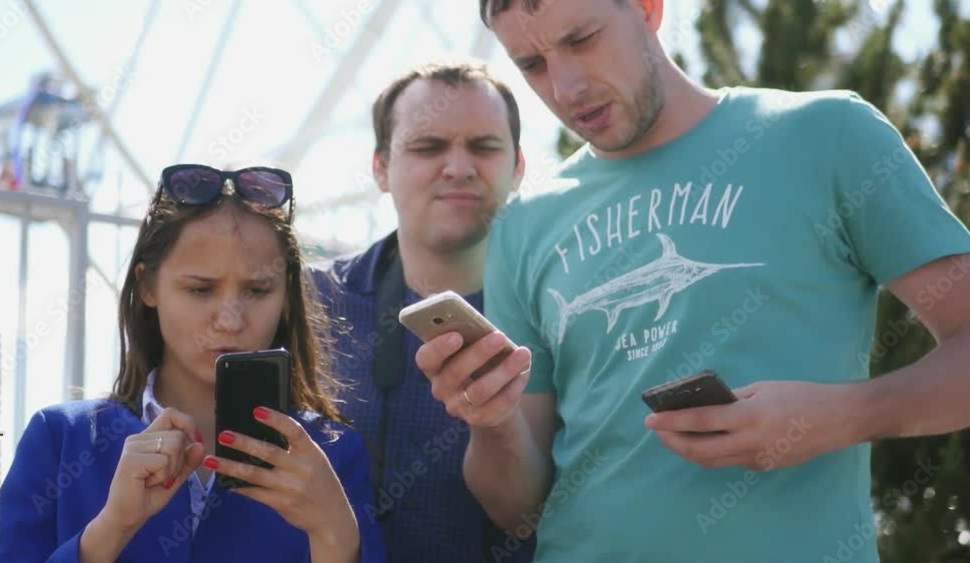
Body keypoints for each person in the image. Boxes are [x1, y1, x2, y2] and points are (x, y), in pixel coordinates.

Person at [414, 1, 970, 562]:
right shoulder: (524, 223)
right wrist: (491, 421)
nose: (566, 86)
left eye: (582, 39)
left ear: (649, 8)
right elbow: (515, 507)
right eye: (531, 63)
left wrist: (840, 417)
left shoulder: (829, 136)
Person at [0, 165, 386, 562]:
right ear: (148, 285)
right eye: (200, 290)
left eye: (258, 290)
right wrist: (110, 528)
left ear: (286, 297)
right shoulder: (60, 439)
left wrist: (336, 541)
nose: (229, 319)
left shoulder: (331, 454)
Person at [311, 61, 534, 562]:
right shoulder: (311, 302)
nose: (458, 167)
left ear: (518, 166)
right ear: (380, 168)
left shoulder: (558, 307)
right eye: (428, 147)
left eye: (484, 146)